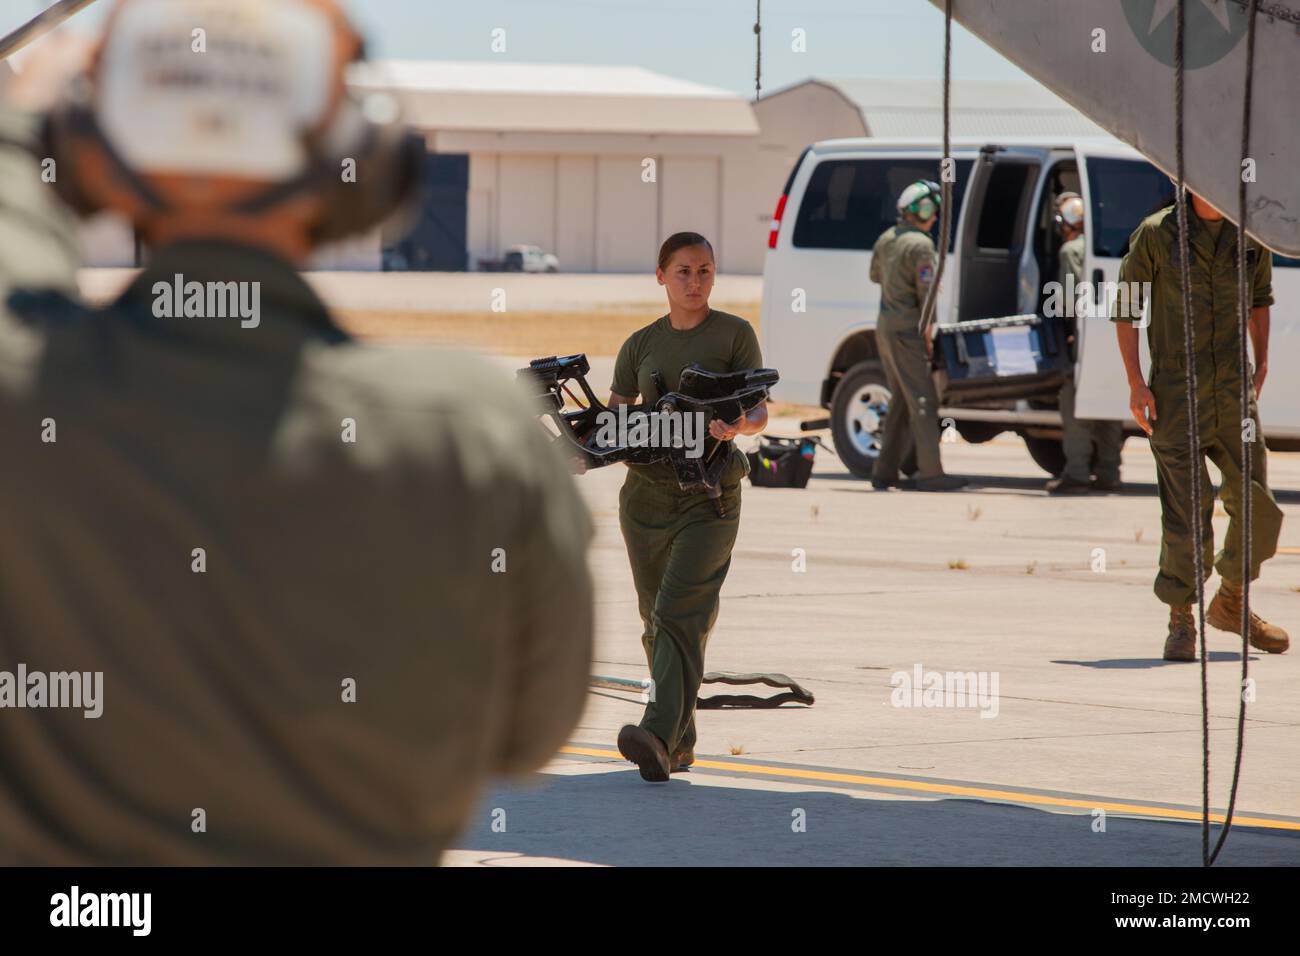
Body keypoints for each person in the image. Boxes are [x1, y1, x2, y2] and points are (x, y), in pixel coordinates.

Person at [0, 0, 593, 864]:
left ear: (90, 164)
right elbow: (533, 733)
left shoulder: (27, 398)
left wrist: (28, 130)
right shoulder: (472, 434)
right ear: (364, 168)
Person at [609, 232, 766, 781]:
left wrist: (738, 424)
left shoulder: (734, 335)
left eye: (704, 271)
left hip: (710, 497)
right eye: (683, 272)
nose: (694, 282)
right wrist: (581, 451)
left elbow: (759, 412)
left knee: (680, 612)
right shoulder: (640, 345)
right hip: (645, 499)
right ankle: (679, 743)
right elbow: (616, 419)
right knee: (656, 622)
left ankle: (653, 732)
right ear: (661, 277)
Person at [1114, 187, 1288, 661]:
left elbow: (1260, 297)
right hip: (1174, 394)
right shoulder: (1156, 234)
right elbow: (1126, 308)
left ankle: (1232, 600)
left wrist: (1264, 359)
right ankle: (1181, 620)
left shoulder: (1250, 234)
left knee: (1259, 507)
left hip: (1234, 394)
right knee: (1188, 516)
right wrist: (1135, 383)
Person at [870, 180, 966, 492]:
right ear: (915, 210)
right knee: (923, 399)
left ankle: (884, 472)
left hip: (884, 326)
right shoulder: (922, 245)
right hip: (908, 330)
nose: (934, 216)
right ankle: (931, 472)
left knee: (900, 397)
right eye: (929, 209)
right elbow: (927, 296)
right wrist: (927, 333)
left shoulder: (886, 239)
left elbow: (874, 275)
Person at [1047, 192, 1124, 495]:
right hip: (1115, 334)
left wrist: (1067, 334)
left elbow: (1067, 301)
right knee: (1109, 403)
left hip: (1086, 334)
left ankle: (1077, 474)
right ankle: (1110, 473)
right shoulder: (1113, 246)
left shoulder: (1070, 251)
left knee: (1075, 401)